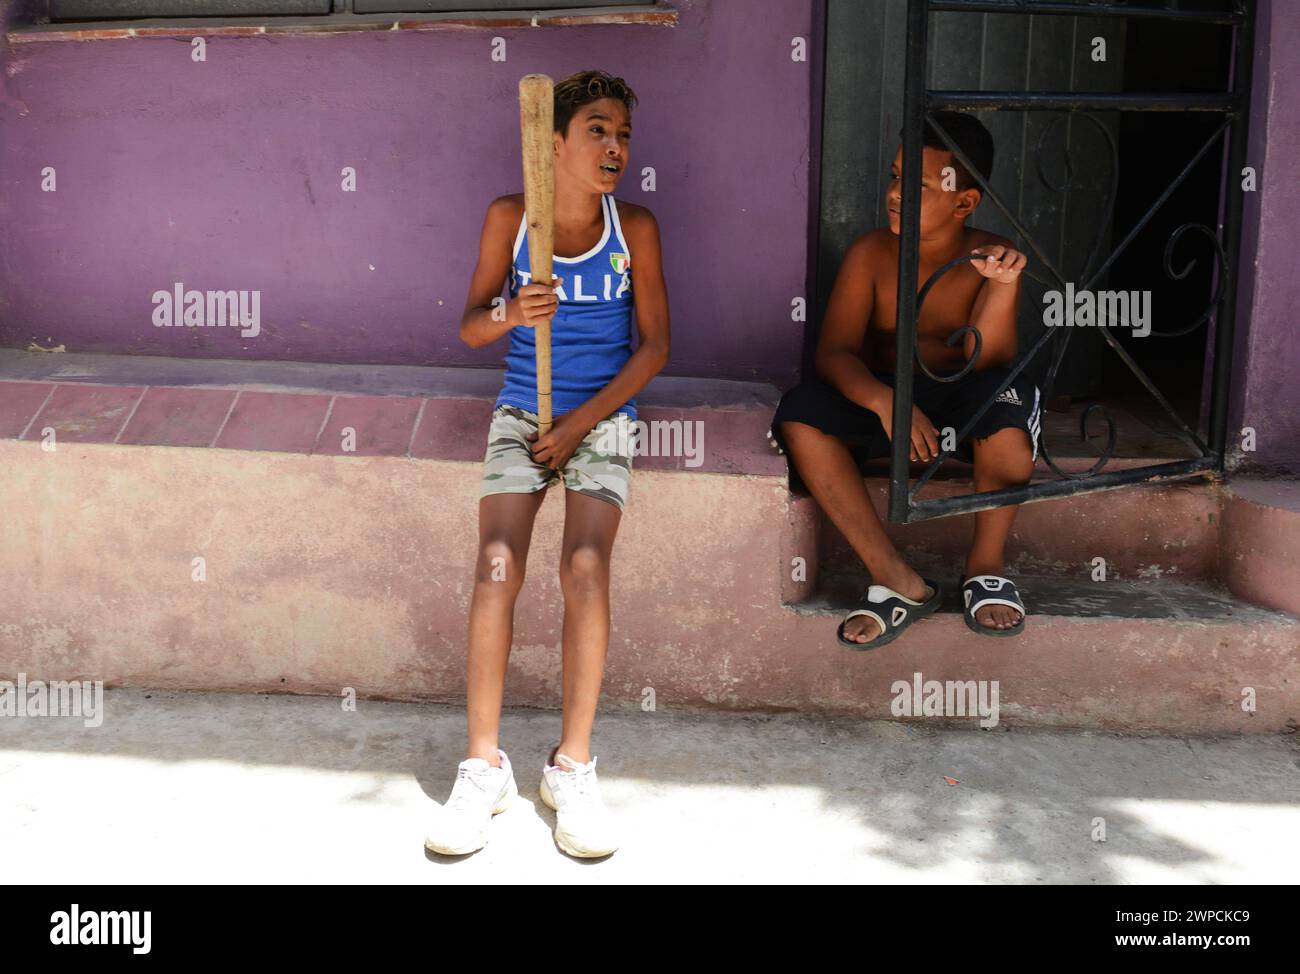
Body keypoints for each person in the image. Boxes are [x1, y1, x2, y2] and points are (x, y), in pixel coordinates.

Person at [425, 70, 669, 858]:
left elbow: (657, 346)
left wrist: (579, 427)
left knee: (587, 567)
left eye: (624, 134)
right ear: (553, 141)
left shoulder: (635, 227)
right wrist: (510, 311)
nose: (615, 147)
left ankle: (572, 769)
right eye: (597, 130)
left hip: (599, 418)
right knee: (496, 564)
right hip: (522, 413)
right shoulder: (511, 217)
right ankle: (483, 767)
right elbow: (469, 328)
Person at [769, 111, 1037, 649]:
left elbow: (987, 362)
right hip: (884, 396)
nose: (894, 193)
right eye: (893, 177)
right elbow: (835, 352)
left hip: (960, 393)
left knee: (1007, 408)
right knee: (800, 416)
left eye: (912, 185)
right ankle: (895, 578)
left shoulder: (987, 254)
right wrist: (883, 400)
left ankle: (985, 566)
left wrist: (1003, 288)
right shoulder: (871, 253)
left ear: (964, 202)